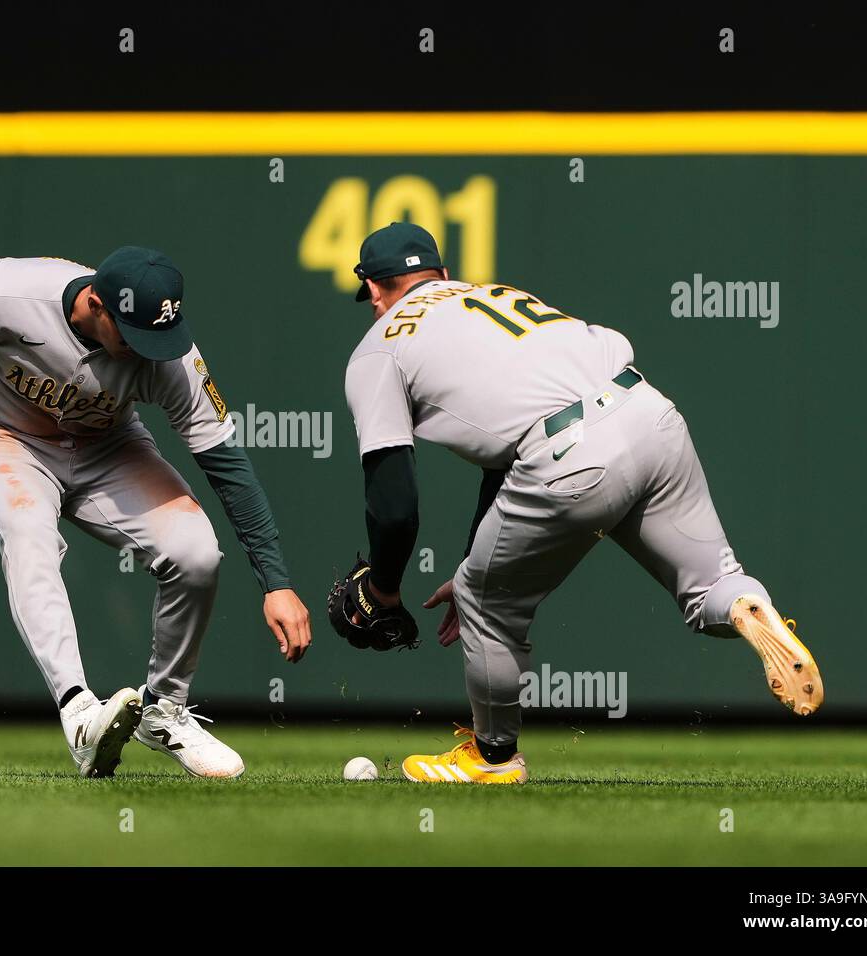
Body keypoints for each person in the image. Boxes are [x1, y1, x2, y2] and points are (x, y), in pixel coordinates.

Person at [339, 222, 821, 785]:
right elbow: (504, 459)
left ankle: (493, 758)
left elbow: (394, 503)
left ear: (374, 290)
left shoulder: (381, 346)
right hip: (649, 411)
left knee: (484, 603)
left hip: (570, 453)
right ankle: (748, 609)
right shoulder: (492, 295)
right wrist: (478, 556)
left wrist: (384, 590)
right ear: (442, 275)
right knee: (712, 582)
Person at [0, 247, 311, 778]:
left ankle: (164, 709)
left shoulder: (171, 358)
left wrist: (275, 582)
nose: (149, 349)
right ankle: (79, 713)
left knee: (196, 556)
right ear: (96, 303)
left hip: (110, 450)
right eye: (134, 334)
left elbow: (226, 464)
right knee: (30, 533)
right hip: (6, 439)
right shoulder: (6, 290)